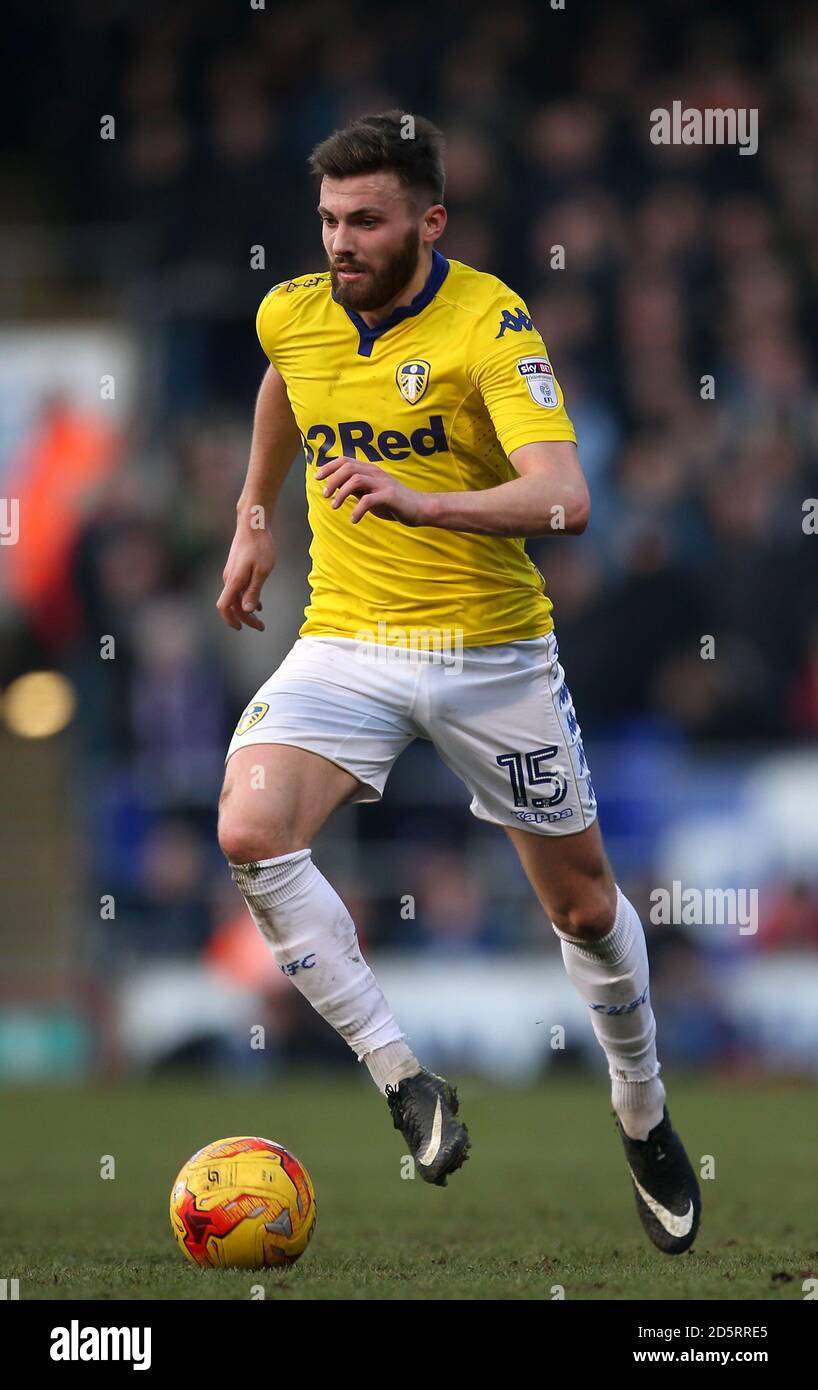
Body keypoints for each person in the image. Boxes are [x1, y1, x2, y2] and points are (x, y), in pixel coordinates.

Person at [216, 110, 700, 1255]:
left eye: (366, 220)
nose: (340, 240)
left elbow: (565, 500)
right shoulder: (290, 308)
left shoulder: (490, 322)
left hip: (490, 655)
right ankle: (402, 1080)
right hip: (347, 638)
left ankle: (639, 1109)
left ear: (428, 221)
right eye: (329, 218)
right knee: (246, 825)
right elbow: (288, 381)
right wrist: (252, 518)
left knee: (580, 906)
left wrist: (421, 498)